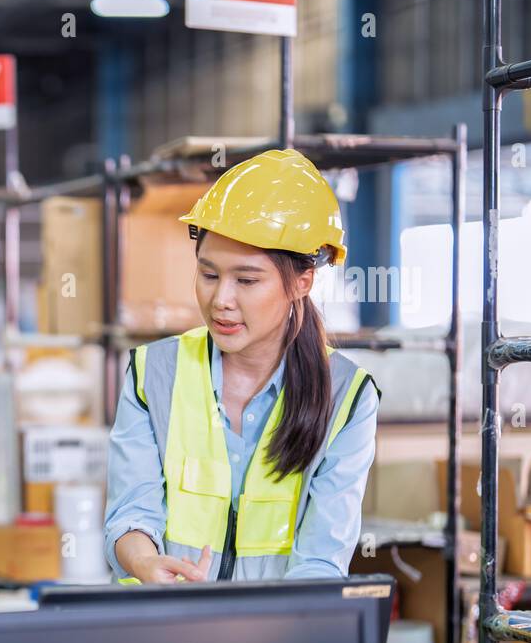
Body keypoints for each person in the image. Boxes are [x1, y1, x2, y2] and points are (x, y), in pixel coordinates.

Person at [105, 149, 379, 584]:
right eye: (209, 274)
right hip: (163, 630)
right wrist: (144, 562)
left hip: (281, 638)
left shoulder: (347, 395)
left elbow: (321, 559)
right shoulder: (153, 373)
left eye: (246, 280)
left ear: (302, 282)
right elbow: (130, 511)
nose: (221, 300)